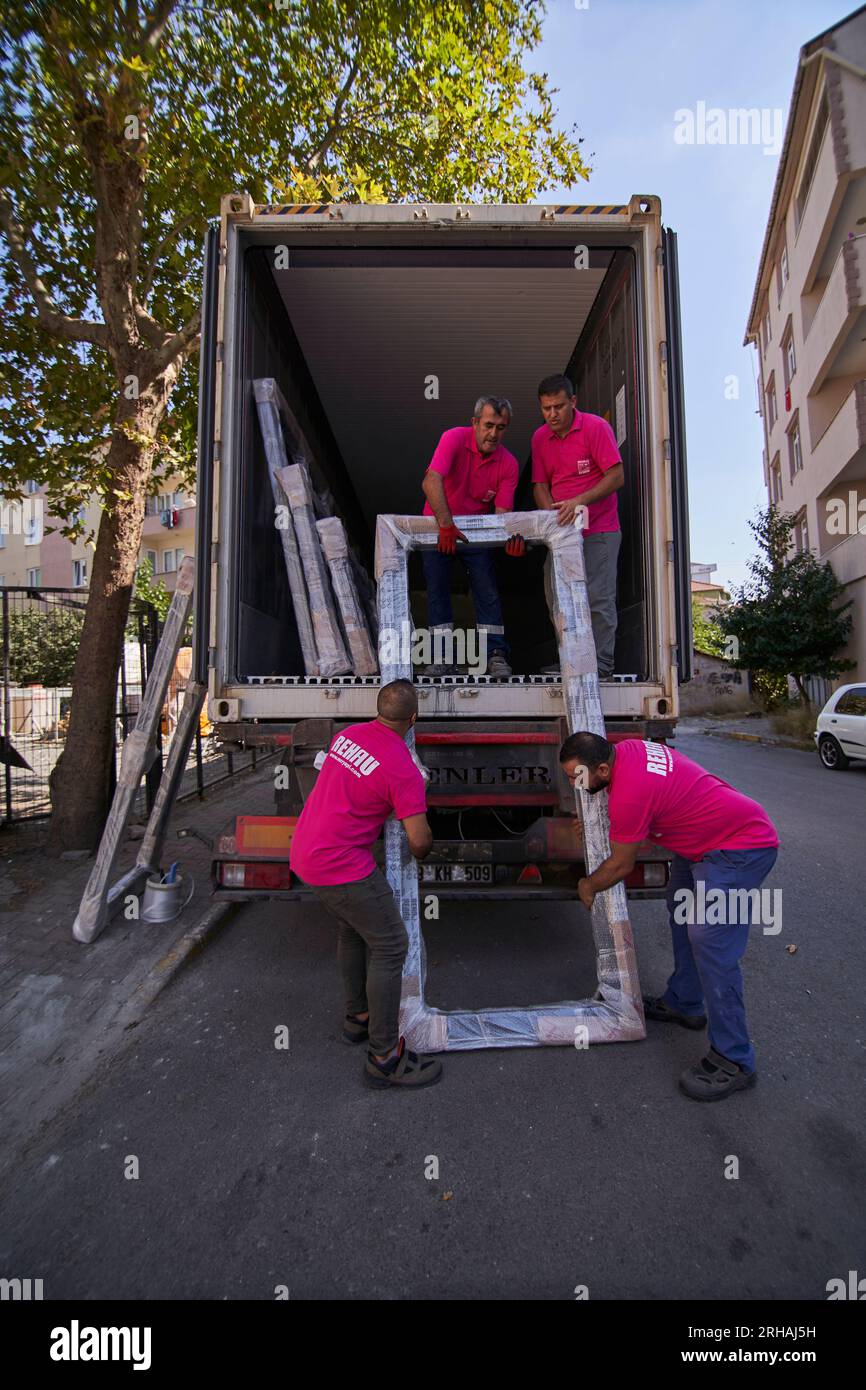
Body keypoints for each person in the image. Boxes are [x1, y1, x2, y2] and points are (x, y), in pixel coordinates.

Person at [559, 732, 779, 1102]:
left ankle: (735, 1059)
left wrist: (587, 885)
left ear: (601, 768)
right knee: (680, 914)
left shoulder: (628, 793)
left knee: (710, 940)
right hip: (698, 845)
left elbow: (620, 864)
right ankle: (685, 1002)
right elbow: (646, 804)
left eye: (576, 776)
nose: (573, 784)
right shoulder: (626, 751)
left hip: (740, 847)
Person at [289, 680, 442, 1090]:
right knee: (391, 944)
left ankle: (357, 1019)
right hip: (340, 864)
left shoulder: (348, 736)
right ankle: (384, 1057)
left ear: (379, 710)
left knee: (352, 929)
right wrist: (420, 820)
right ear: (413, 720)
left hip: (305, 851)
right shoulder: (404, 771)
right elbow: (419, 842)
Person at [421, 396, 524, 679]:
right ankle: (441, 657)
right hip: (439, 525)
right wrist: (445, 524)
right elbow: (431, 480)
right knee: (438, 590)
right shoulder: (453, 439)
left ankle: (495, 656)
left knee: (486, 591)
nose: (494, 434)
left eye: (501, 428)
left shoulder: (509, 464)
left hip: (475, 536)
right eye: (489, 425)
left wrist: (508, 542)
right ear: (475, 423)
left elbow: (502, 516)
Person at [531, 375, 624, 677]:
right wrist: (550, 517)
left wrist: (578, 501)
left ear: (573, 402)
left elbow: (616, 476)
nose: (552, 414)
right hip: (561, 535)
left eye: (559, 406)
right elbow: (540, 484)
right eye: (546, 408)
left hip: (600, 529)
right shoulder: (539, 438)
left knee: (597, 597)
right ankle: (572, 662)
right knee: (558, 598)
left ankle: (602, 664)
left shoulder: (596, 427)